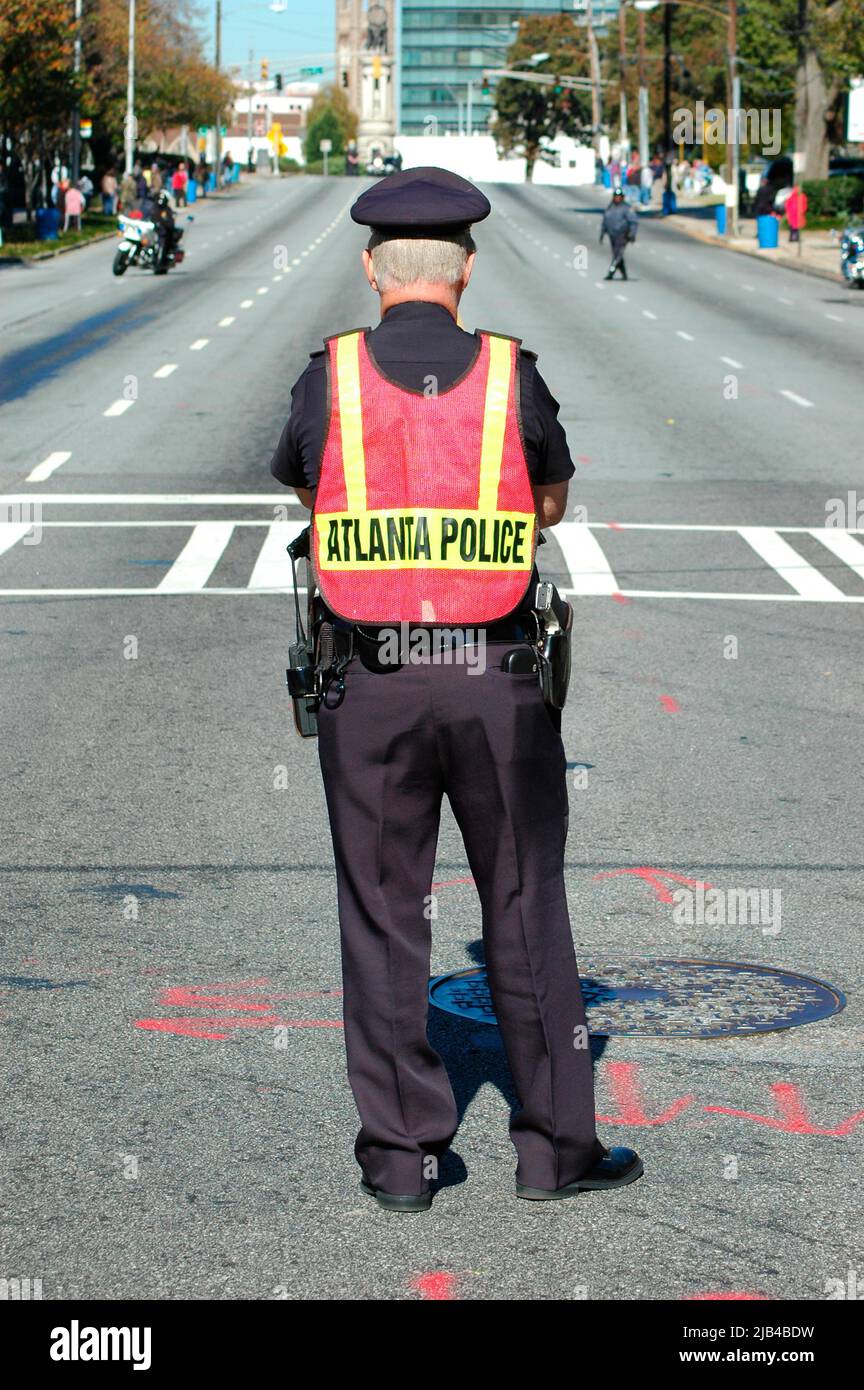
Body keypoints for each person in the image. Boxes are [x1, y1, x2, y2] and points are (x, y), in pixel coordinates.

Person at [269, 166, 643, 1213]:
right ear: (467, 273)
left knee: (384, 920)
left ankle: (402, 1161)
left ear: (370, 271)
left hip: (371, 683)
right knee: (526, 906)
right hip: (495, 681)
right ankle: (556, 1148)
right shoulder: (513, 376)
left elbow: (312, 486)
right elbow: (552, 498)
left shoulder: (328, 378)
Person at [600, 186, 638, 280]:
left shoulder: (626, 208)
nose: (617, 198)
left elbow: (633, 222)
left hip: (623, 235)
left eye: (619, 196)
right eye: (616, 196)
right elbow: (605, 220)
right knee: (616, 254)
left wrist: (632, 234)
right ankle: (624, 273)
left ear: (622, 197)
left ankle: (611, 272)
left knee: (618, 254)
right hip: (612, 235)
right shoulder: (610, 207)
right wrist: (602, 233)